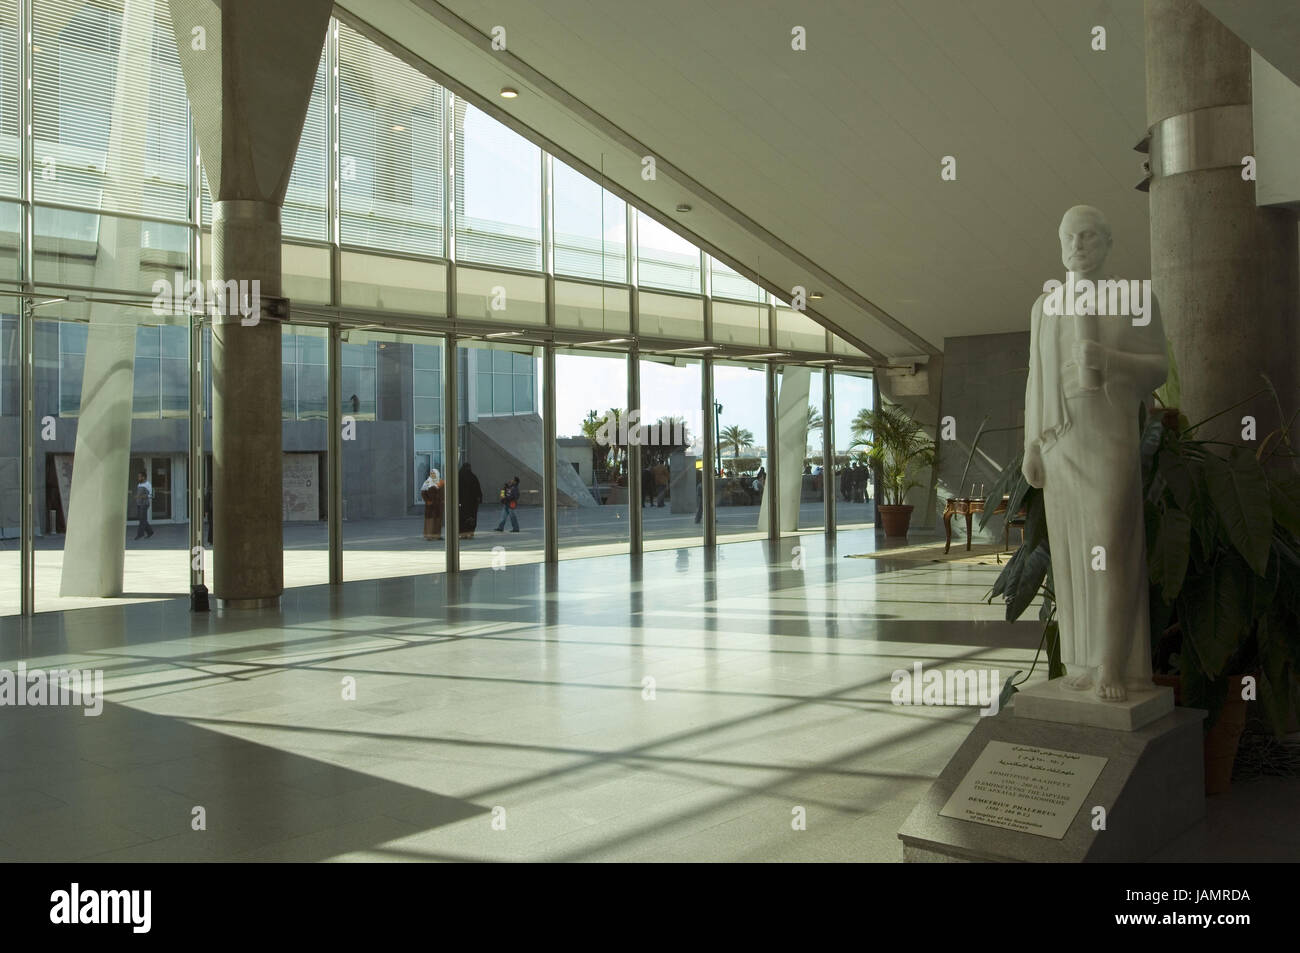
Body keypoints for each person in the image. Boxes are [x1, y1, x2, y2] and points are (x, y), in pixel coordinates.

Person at [1023, 205, 1167, 702]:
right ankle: (1084, 660)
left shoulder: (1134, 298)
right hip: (1061, 440)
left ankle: (1115, 662)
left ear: (1106, 243)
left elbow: (1158, 368)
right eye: (1069, 236)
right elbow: (1033, 380)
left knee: (1111, 542)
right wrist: (1031, 446)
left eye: (1088, 236)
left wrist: (1110, 360)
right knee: (1072, 552)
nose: (1077, 245)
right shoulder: (1045, 307)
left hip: (1108, 434)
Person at [458, 462, 483, 539]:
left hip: (461, 503)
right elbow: (477, 490)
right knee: (471, 517)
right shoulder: (473, 477)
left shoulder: (458, 476)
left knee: (462, 518)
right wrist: (479, 499)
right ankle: (470, 532)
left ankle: (462, 533)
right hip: (472, 503)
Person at [421, 468, 444, 540]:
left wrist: (443, 500)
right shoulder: (427, 482)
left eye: (434, 473)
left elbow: (444, 492)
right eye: (431, 473)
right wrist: (427, 501)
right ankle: (429, 535)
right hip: (430, 506)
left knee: (438, 520)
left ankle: (437, 535)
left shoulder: (441, 482)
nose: (432, 475)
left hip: (438, 506)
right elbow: (423, 493)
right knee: (430, 520)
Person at [133, 471, 154, 540]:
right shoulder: (139, 484)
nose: (138, 478)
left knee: (142, 519)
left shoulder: (148, 484)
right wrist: (137, 497)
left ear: (143, 477)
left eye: (139, 476)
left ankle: (140, 534)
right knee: (141, 519)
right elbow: (139, 494)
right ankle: (150, 532)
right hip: (139, 503)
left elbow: (151, 495)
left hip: (144, 504)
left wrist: (141, 496)